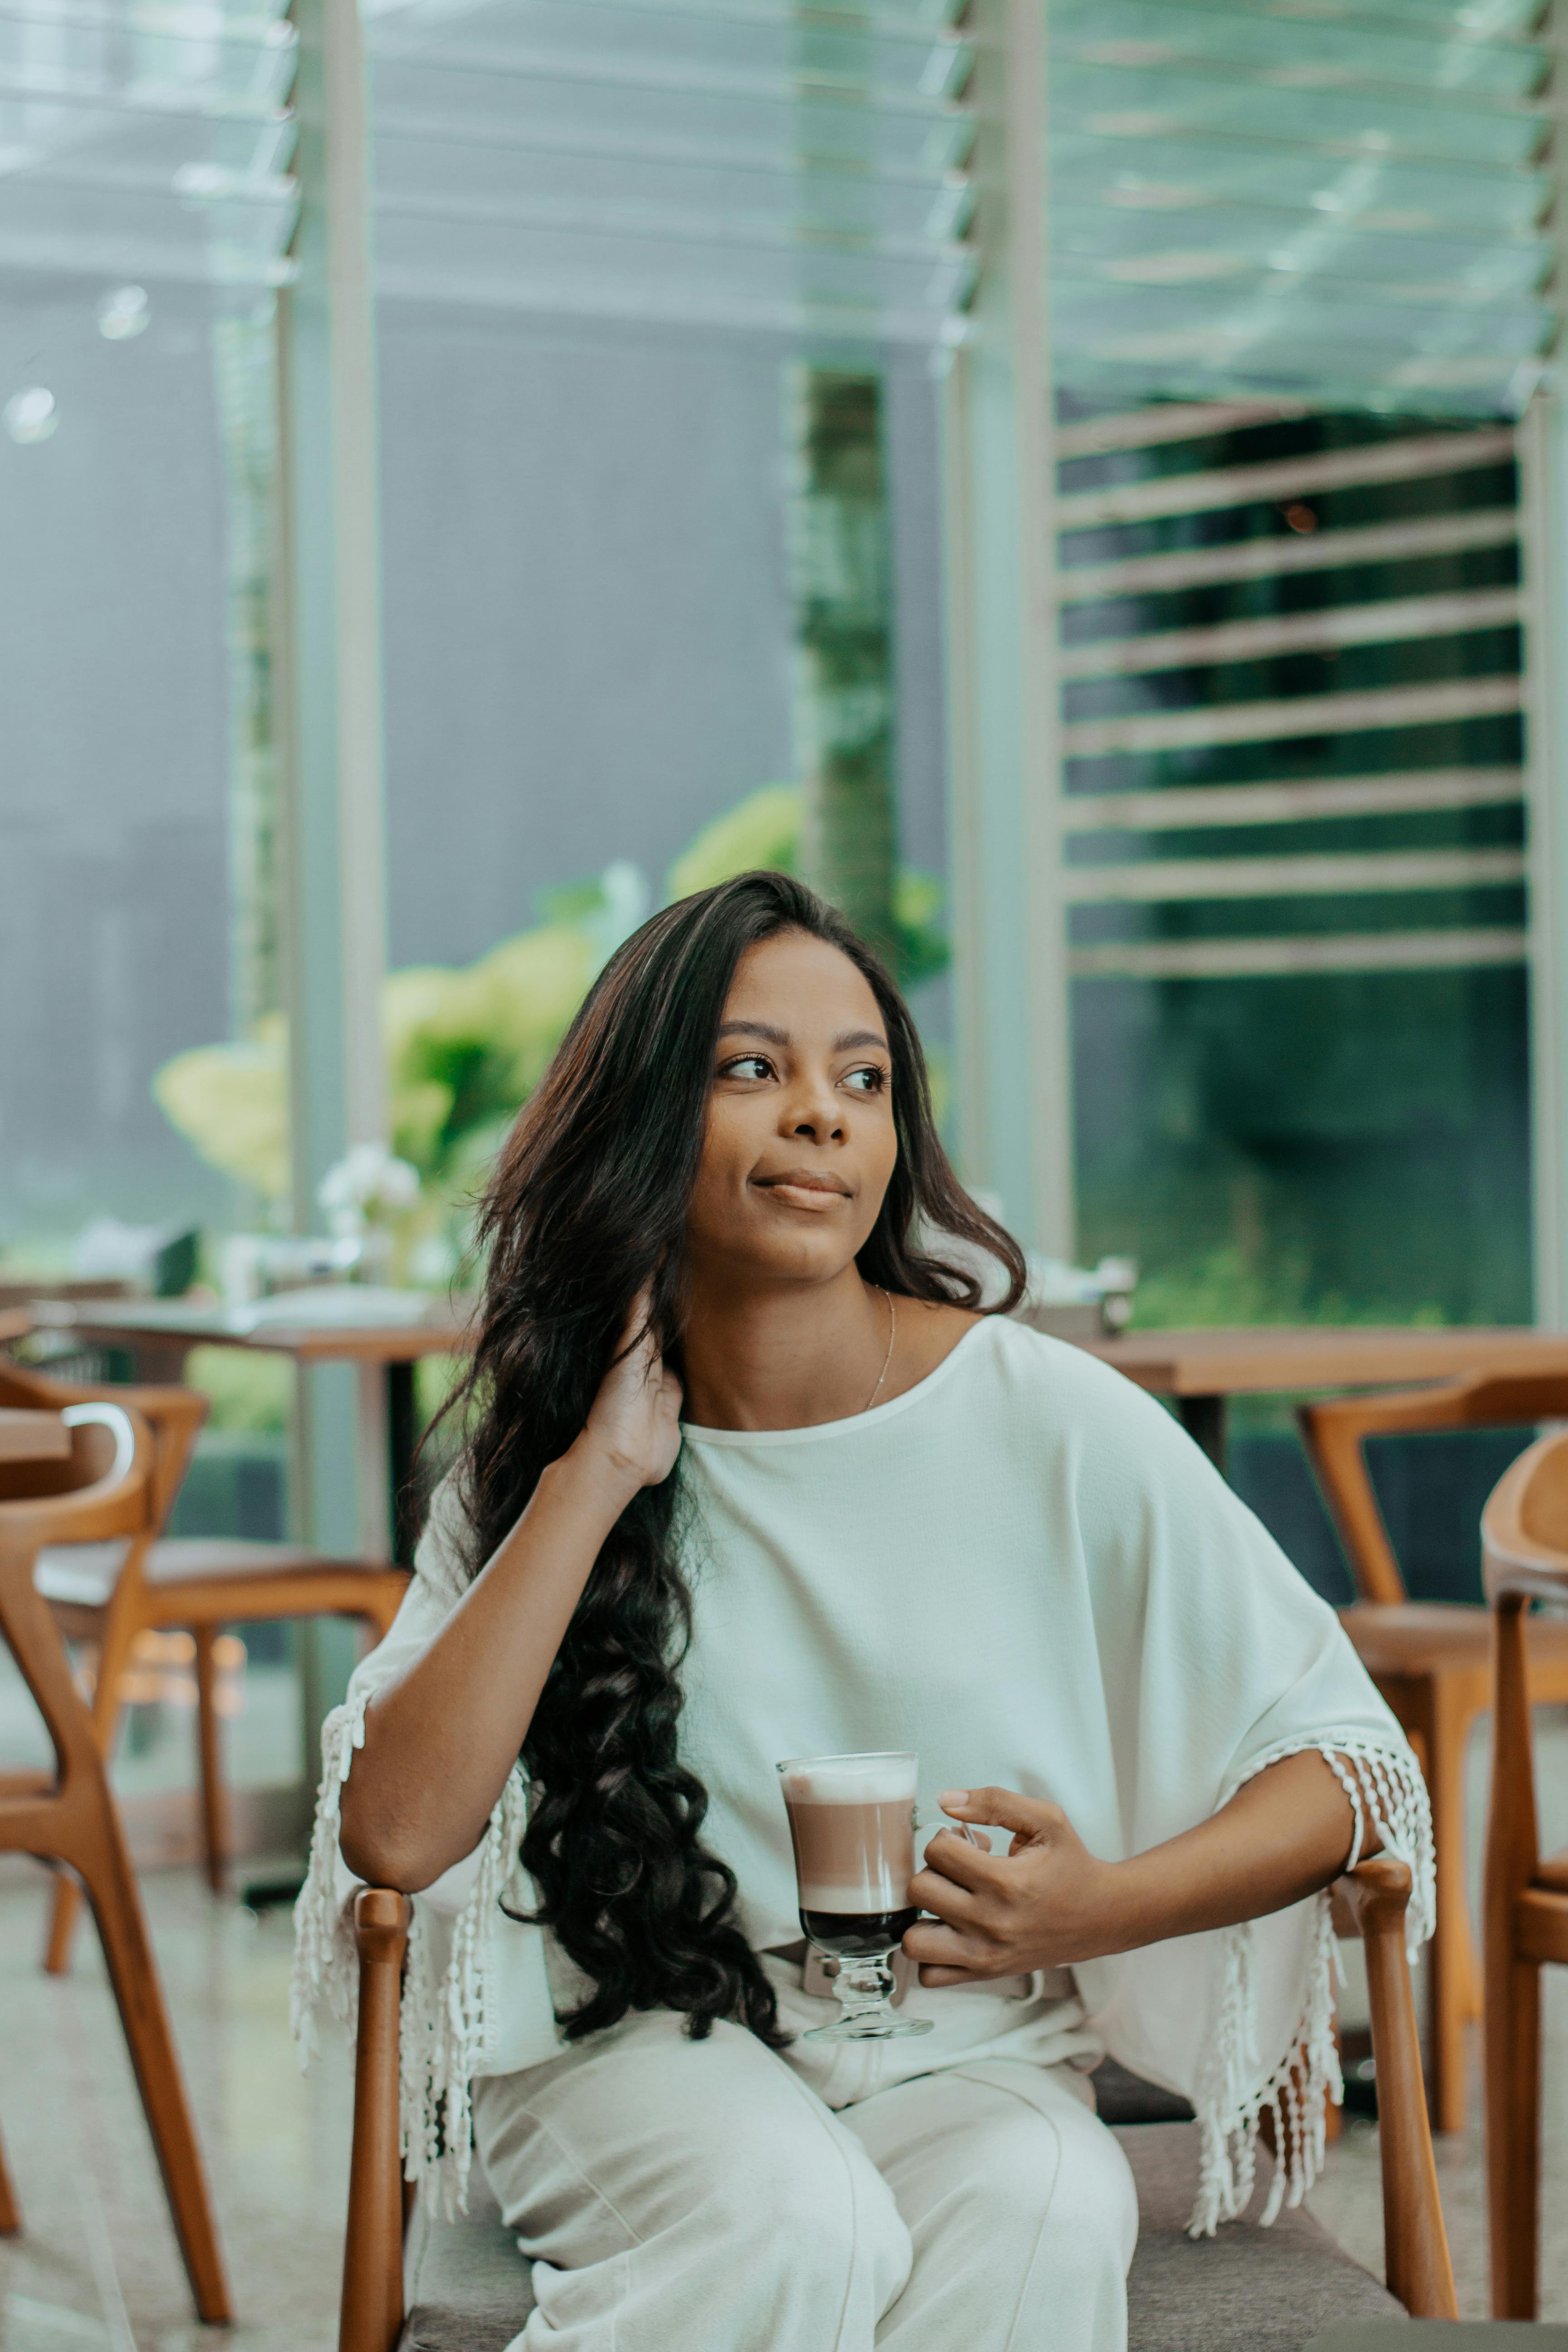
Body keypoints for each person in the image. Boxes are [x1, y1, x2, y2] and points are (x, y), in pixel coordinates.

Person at [294, 871, 1432, 2352]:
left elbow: (1352, 1768)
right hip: (627, 2050)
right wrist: (603, 1475)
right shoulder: (554, 1460)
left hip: (967, 2059)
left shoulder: (1052, 1426)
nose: (821, 1113)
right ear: (645, 1121)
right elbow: (394, 1834)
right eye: (750, 1069)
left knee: (1049, 2209)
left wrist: (1101, 1909)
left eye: (865, 1078)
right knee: (793, 2229)